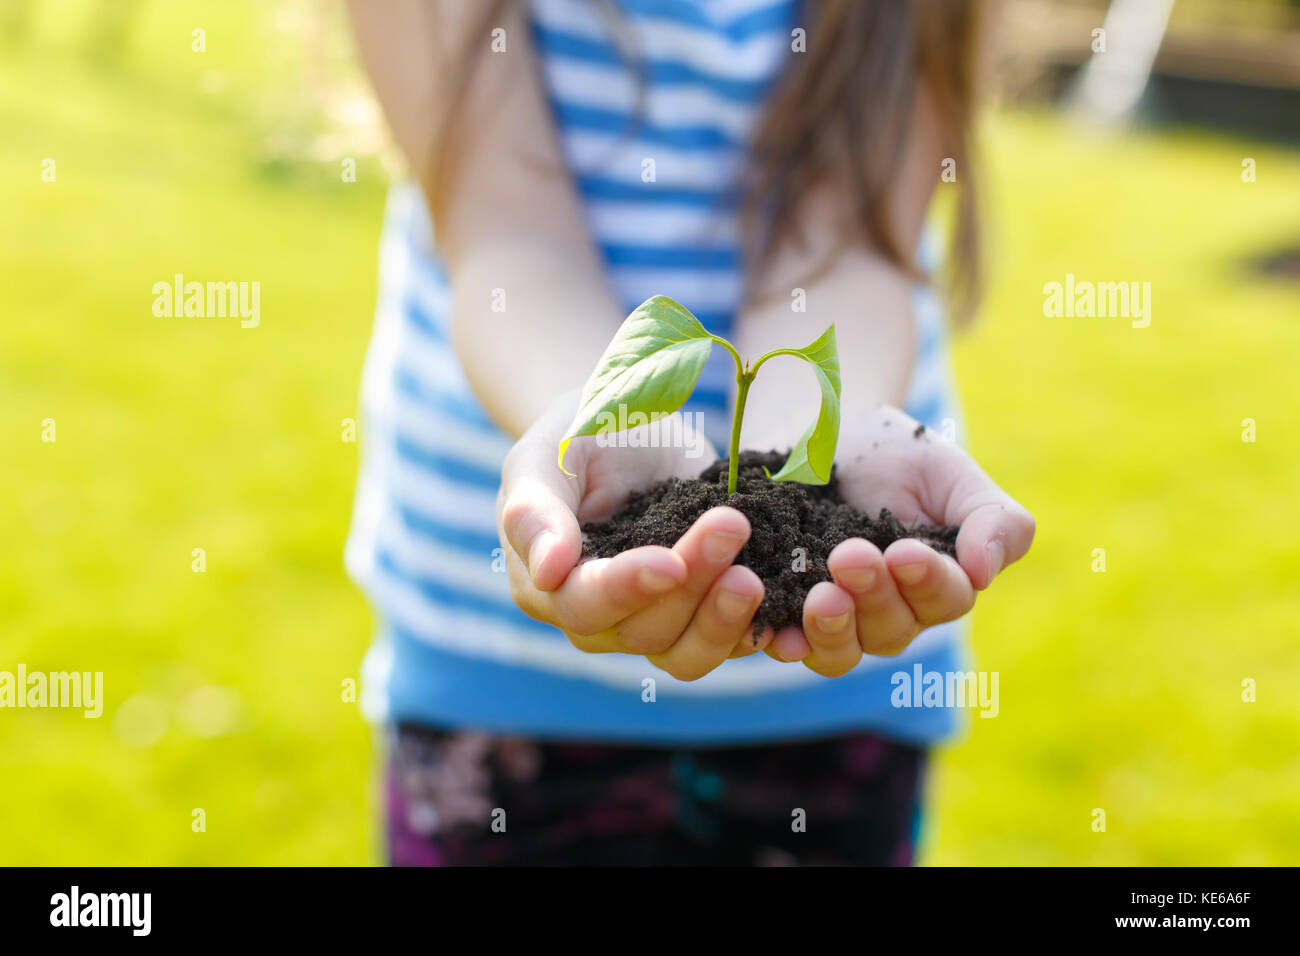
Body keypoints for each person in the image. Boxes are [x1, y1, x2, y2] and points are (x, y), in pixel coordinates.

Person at [345, 0, 1034, 866]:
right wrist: (599, 419)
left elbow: (846, 251)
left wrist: (812, 454)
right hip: (499, 680)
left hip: (835, 704)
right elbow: (509, 236)